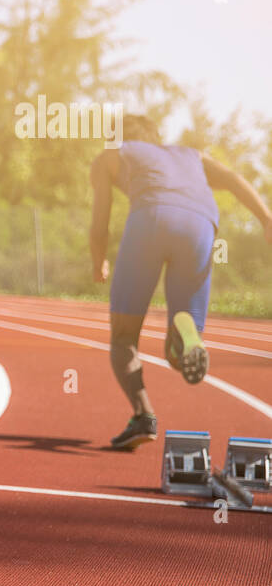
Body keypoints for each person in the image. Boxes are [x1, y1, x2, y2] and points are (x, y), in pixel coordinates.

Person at [89, 114, 272, 450]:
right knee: (177, 354)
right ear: (157, 137)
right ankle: (186, 335)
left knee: (124, 336)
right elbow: (232, 178)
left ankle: (143, 415)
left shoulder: (112, 154)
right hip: (202, 225)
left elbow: (101, 219)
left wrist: (97, 257)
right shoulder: (191, 155)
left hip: (151, 218)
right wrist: (266, 218)